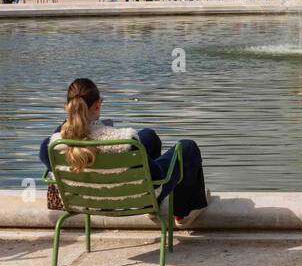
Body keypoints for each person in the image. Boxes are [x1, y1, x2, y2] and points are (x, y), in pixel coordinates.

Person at [40, 79, 208, 224]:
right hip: (131, 199)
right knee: (187, 147)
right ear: (98, 105)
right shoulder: (125, 141)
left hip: (84, 202)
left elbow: (63, 140)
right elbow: (157, 177)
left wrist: (70, 121)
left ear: (67, 108)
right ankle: (182, 212)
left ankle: (155, 208)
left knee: (149, 136)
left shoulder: (52, 146)